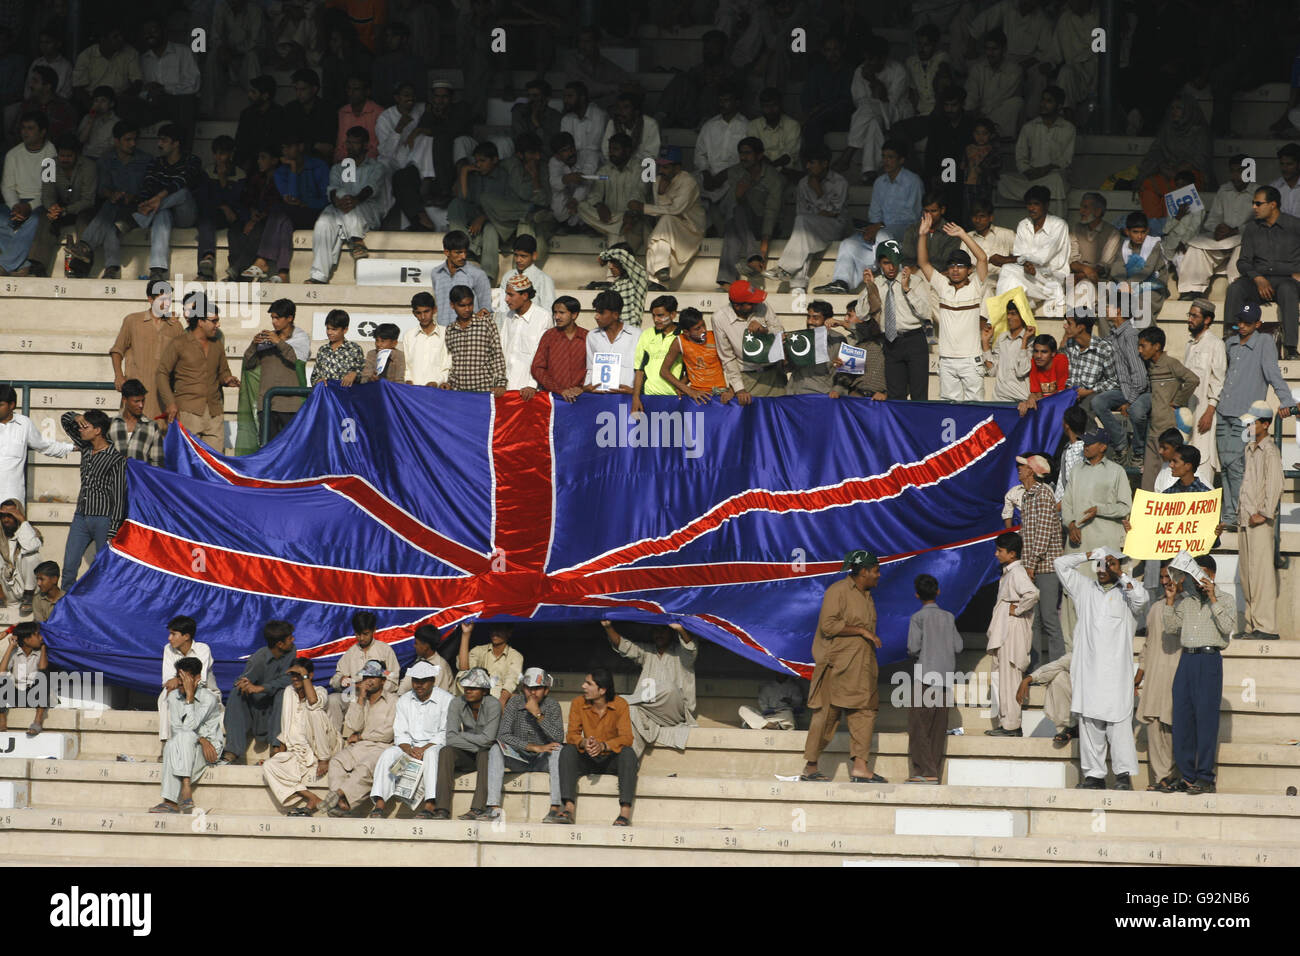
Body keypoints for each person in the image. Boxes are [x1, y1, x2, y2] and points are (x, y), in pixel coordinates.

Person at [1056, 548, 1148, 789]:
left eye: (1108, 565)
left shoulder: (1126, 593)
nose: (1102, 569)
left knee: (1119, 727)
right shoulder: (1084, 588)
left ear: (1118, 567)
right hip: (1088, 671)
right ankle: (1094, 775)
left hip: (1116, 673)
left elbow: (1142, 599)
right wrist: (1088, 554)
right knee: (1090, 725)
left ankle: (1122, 775)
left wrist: (1122, 576)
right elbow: (1060, 564)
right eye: (1099, 564)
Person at [800, 550, 887, 783]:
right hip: (836, 666)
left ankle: (860, 767)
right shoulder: (837, 591)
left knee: (865, 713)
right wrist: (861, 630)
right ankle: (810, 767)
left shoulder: (867, 595)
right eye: (876, 571)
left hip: (863, 666)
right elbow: (828, 625)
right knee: (826, 716)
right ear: (864, 572)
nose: (879, 575)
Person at [1214, 303, 1297, 527]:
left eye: (1247, 322)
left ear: (1258, 324)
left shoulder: (1264, 342)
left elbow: (1273, 374)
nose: (1241, 325)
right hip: (1223, 411)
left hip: (1246, 416)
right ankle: (1230, 515)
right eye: (1239, 320)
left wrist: (1287, 401)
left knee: (1238, 465)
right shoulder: (1230, 342)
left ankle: (1238, 514)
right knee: (1226, 466)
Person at [813, 141, 921, 295]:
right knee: (848, 243)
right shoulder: (879, 182)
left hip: (904, 230)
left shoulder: (913, 181)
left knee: (884, 234)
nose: (886, 161)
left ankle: (886, 276)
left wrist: (879, 226)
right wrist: (872, 228)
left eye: (890, 157)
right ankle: (841, 282)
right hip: (881, 230)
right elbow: (874, 213)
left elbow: (912, 216)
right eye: (883, 157)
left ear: (901, 160)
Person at [1167, 555, 1236, 794]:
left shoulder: (1225, 599)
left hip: (1208, 659)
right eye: (1195, 572)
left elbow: (1228, 628)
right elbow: (1171, 628)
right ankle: (1187, 776)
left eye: (1203, 571)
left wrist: (1213, 598)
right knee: (1182, 719)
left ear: (1213, 575)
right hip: (1186, 659)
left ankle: (1205, 776)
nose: (1198, 576)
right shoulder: (1187, 602)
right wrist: (1170, 599)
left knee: (1206, 720)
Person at [917, 215, 990, 401]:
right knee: (950, 409)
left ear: (969, 270)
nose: (955, 270)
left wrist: (963, 235)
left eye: (960, 266)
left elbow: (982, 258)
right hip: (947, 360)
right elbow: (923, 263)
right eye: (952, 266)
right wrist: (923, 235)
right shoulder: (942, 285)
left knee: (976, 410)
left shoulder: (976, 286)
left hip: (971, 359)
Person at [369, 659, 453, 819]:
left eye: (423, 681)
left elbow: (445, 733)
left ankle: (430, 804)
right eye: (415, 681)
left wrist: (424, 749)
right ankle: (380, 803)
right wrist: (409, 749)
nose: (418, 685)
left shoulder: (446, 699)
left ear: (433, 681)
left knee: (432, 754)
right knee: (389, 754)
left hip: (434, 747)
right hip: (410, 749)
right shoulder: (404, 700)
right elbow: (400, 732)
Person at [241, 133, 331, 282]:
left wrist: (306, 204)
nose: (285, 151)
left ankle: (262, 260)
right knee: (283, 221)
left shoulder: (318, 166)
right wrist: (293, 170)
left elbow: (327, 199)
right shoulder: (282, 171)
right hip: (291, 213)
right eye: (283, 148)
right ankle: (283, 273)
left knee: (278, 210)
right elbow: (290, 197)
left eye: (289, 147)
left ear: (300, 147)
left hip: (315, 214)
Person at [1224, 185, 1300, 360]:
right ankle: (1231, 341)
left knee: (1288, 290)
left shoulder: (1295, 226)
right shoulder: (1252, 228)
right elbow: (1243, 261)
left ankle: (1290, 348)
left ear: (1273, 205)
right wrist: (1257, 277)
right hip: (1259, 279)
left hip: (1287, 280)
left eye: (1258, 204)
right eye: (1253, 203)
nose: (1254, 208)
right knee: (1236, 288)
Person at [603, 619, 697, 759]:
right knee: (631, 711)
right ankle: (628, 764)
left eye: (663, 630)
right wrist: (608, 627)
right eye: (656, 630)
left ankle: (621, 700)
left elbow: (690, 648)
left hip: (673, 713)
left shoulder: (681, 653)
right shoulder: (648, 652)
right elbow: (623, 646)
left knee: (669, 687)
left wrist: (680, 629)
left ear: (671, 633)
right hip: (650, 712)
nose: (659, 634)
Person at [557, 667, 638, 826]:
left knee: (628, 753)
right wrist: (583, 742)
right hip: (587, 757)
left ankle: (624, 813)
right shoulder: (578, 703)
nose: (583, 686)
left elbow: (627, 738)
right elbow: (572, 734)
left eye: (589, 684)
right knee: (567, 750)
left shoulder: (620, 704)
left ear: (602, 690)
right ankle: (568, 808)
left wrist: (604, 746)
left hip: (609, 758)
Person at [157, 296, 239, 452]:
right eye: (214, 321)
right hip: (188, 412)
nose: (218, 325)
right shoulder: (179, 343)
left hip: (214, 413)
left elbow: (223, 371)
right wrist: (170, 403)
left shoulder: (217, 345)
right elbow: (162, 373)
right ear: (201, 322)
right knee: (187, 462)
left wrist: (227, 379)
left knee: (214, 464)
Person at [764, 144, 850, 292]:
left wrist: (818, 191)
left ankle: (785, 269)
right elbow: (802, 213)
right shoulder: (804, 183)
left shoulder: (839, 182)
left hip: (834, 226)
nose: (808, 166)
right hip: (810, 227)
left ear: (825, 163)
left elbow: (833, 212)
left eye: (812, 162)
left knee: (803, 226)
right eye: (807, 163)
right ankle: (798, 286)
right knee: (804, 232)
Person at [262, 657, 341, 816]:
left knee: (314, 710)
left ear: (309, 675)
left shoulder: (320, 691)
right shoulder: (289, 692)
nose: (295, 679)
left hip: (325, 746)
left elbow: (313, 702)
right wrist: (279, 753)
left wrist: (324, 758)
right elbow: (287, 725)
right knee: (269, 765)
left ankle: (324, 759)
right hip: (299, 752)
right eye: (293, 675)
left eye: (299, 675)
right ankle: (312, 798)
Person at [307, 127, 387, 283]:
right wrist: (337, 200)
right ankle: (318, 276)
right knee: (323, 222)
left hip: (367, 210)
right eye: (348, 142)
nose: (350, 147)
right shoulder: (338, 167)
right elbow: (332, 188)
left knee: (345, 203)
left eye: (355, 143)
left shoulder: (377, 167)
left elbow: (371, 188)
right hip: (341, 209)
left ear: (365, 146)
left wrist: (355, 199)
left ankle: (356, 237)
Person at [57, 410, 127, 590]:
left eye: (85, 427)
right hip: (81, 515)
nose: (80, 430)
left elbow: (119, 495)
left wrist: (113, 529)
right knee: (70, 565)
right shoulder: (86, 448)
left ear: (97, 430)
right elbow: (65, 420)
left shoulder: (116, 458)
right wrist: (77, 417)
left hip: (103, 518)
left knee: (103, 567)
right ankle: (64, 604)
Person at [1233, 402, 1284, 641]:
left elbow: (1275, 485)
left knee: (1261, 574)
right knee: (1247, 575)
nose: (1249, 426)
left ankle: (1266, 626)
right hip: (1245, 520)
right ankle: (1253, 625)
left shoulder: (1270, 451)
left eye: (1253, 422)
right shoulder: (1250, 449)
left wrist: (1263, 513)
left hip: (1259, 523)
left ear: (1265, 424)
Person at [486, 666, 565, 823]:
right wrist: (531, 746)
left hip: (542, 759)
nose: (532, 693)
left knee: (558, 749)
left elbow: (558, 737)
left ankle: (555, 808)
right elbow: (503, 735)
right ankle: (493, 808)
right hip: (519, 757)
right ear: (523, 688)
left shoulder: (552, 705)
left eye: (537, 688)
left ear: (546, 690)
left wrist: (538, 715)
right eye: (528, 688)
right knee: (495, 748)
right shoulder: (515, 702)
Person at [906, 574, 963, 783]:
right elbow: (958, 646)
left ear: (917, 595)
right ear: (938, 591)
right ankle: (933, 771)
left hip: (925, 677)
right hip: (945, 678)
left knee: (919, 725)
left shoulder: (918, 618)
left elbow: (913, 648)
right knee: (939, 726)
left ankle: (924, 770)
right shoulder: (949, 617)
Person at [321, 659, 397, 817]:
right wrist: (361, 699)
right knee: (336, 761)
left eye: (373, 677)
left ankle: (339, 795)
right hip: (360, 746)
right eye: (366, 677)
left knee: (364, 767)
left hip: (382, 748)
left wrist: (362, 735)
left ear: (383, 680)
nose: (369, 681)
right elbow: (353, 725)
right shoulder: (359, 699)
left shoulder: (393, 701)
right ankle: (341, 804)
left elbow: (386, 734)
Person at [150, 657, 224, 814]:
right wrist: (200, 738)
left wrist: (190, 698)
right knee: (172, 743)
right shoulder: (173, 697)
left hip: (209, 749)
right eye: (179, 677)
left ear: (197, 678)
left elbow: (189, 727)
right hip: (189, 743)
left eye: (185, 678)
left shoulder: (208, 699)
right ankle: (185, 787)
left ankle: (171, 800)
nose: (181, 682)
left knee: (179, 741)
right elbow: (178, 729)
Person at [219, 620, 297, 765]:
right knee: (237, 693)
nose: (293, 640)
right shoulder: (259, 658)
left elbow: (289, 679)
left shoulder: (292, 652)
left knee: (284, 693)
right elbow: (243, 680)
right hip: (257, 710)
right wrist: (245, 684)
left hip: (277, 710)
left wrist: (263, 687)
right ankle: (231, 752)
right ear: (280, 644)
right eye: (290, 638)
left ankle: (277, 749)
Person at [132, 124, 203, 281]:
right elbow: (148, 185)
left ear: (176, 143)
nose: (159, 144)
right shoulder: (156, 162)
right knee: (162, 214)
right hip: (162, 211)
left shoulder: (192, 160)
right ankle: (157, 269)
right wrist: (145, 201)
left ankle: (142, 217)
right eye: (159, 139)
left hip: (186, 214)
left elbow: (181, 181)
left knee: (182, 192)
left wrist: (157, 199)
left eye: (164, 140)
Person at [860, 239, 929, 400]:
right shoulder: (875, 283)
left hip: (914, 339)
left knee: (919, 394)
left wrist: (906, 289)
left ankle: (917, 426)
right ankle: (899, 425)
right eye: (886, 263)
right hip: (891, 343)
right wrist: (869, 287)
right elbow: (862, 314)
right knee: (895, 395)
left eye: (894, 262)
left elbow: (926, 313)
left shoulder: (915, 281)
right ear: (879, 263)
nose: (891, 267)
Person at [80, 120, 150, 279]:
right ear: (116, 141)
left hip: (137, 209)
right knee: (111, 222)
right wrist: (111, 194)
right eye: (128, 140)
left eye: (134, 140)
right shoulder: (106, 159)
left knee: (109, 212)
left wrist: (134, 197)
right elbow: (102, 188)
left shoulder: (146, 160)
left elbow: (150, 189)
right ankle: (111, 269)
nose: (132, 144)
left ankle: (85, 245)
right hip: (116, 207)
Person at [985, 532, 1039, 737]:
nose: (997, 554)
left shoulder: (1017, 573)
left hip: (1012, 631)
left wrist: (1016, 610)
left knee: (1010, 677)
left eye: (1000, 551)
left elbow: (1032, 594)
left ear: (1012, 554)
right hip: (1004, 631)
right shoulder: (1009, 573)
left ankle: (1012, 725)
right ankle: (1006, 722)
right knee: (1001, 677)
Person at [1178, 156, 1254, 300]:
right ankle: (1193, 290)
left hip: (1244, 236)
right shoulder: (1224, 190)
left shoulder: (1258, 191)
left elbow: (1259, 222)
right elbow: (1213, 218)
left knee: (1243, 250)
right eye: (1233, 171)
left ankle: (1239, 290)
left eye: (1240, 171)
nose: (1236, 175)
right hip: (1223, 237)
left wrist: (1237, 230)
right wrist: (1218, 228)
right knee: (1197, 247)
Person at [1132, 327, 1199, 489]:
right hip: (1153, 431)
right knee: (1148, 479)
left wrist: (1178, 400)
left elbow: (1193, 379)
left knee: (1169, 477)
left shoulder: (1170, 364)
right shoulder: (1150, 366)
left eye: (1143, 346)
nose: (1140, 350)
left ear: (1156, 346)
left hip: (1169, 432)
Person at [432, 667, 501, 820]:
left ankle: (477, 808)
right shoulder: (456, 703)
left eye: (473, 688)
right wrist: (479, 741)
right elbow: (450, 737)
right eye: (466, 687)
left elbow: (489, 739)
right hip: (469, 753)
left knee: (485, 753)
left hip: (489, 756)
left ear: (484, 691)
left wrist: (463, 735)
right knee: (446, 751)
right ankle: (442, 809)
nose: (468, 691)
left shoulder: (493, 704)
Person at [842, 35, 912, 184]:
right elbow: (859, 102)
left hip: (896, 113)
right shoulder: (860, 70)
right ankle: (869, 170)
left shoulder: (898, 70)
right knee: (873, 121)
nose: (868, 63)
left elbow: (890, 101)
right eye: (867, 59)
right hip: (870, 115)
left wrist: (873, 80)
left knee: (870, 109)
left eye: (872, 59)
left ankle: (849, 152)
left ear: (883, 58)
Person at [716, 138, 784, 288]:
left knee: (733, 224)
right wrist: (739, 196)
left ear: (759, 155)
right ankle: (753, 257)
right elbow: (734, 205)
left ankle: (726, 280)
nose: (743, 157)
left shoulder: (773, 177)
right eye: (741, 153)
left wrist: (764, 245)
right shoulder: (735, 172)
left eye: (747, 153)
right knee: (735, 214)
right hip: (739, 220)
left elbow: (771, 212)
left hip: (763, 225)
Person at [1136, 565, 1181, 791]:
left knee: (1171, 725)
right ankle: (1161, 776)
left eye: (1168, 577)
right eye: (1162, 577)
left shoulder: (1186, 606)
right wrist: (1139, 674)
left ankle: (1171, 775)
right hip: (1154, 675)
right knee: (1153, 725)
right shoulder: (1154, 608)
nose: (1164, 581)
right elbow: (1148, 643)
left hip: (1175, 674)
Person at [1017, 454, 1065, 664]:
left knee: (1049, 618)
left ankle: (1057, 665)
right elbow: (1027, 533)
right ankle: (1035, 667)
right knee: (1033, 620)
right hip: (1031, 567)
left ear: (1031, 471)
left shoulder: (1044, 494)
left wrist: (1032, 564)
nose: (1018, 469)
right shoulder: (1027, 495)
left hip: (1045, 568)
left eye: (1022, 466)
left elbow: (1043, 533)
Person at [995, 186, 1071, 316]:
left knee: (1008, 270)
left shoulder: (1059, 225)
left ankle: (996, 321)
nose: (1031, 208)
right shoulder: (1024, 225)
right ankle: (1022, 321)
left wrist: (1008, 259)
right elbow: (1021, 256)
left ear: (1046, 205)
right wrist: (1024, 263)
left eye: (1036, 204)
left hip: (1051, 281)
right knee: (1010, 277)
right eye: (1029, 204)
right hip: (1029, 276)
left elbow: (1042, 258)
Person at [243, 299, 311, 441]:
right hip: (267, 403)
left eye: (277, 318)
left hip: (290, 404)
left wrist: (278, 343)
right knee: (268, 449)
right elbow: (249, 364)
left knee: (291, 448)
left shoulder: (300, 337)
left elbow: (297, 360)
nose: (274, 322)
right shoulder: (266, 339)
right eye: (272, 318)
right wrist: (253, 345)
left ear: (290, 318)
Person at [0, 111, 56, 276]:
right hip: (16, 203)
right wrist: (16, 206)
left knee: (36, 221)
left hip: (40, 202)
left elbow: (49, 189)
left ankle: (5, 265)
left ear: (42, 131)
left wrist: (29, 206)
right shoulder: (13, 154)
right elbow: (7, 187)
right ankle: (22, 265)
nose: (25, 132)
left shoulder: (50, 153)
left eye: (30, 128)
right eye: (23, 128)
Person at [639, 146, 705, 286]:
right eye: (660, 167)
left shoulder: (688, 182)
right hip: (668, 228)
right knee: (659, 238)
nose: (662, 171)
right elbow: (661, 211)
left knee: (662, 227)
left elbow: (675, 210)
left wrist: (643, 208)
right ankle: (659, 275)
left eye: (666, 167)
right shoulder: (658, 181)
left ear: (678, 167)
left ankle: (654, 277)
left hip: (690, 228)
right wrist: (662, 192)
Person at [325, 610, 399, 731]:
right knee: (333, 699)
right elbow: (336, 679)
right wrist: (342, 680)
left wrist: (375, 689)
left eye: (365, 634)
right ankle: (336, 742)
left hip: (378, 697)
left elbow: (393, 677)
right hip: (355, 697)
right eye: (358, 634)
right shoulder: (351, 653)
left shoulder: (384, 651)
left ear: (374, 630)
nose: (361, 638)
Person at [712, 280, 785, 401]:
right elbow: (727, 357)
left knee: (777, 418)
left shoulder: (762, 305)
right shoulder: (719, 318)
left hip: (774, 374)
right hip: (748, 378)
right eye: (751, 303)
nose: (756, 304)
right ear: (737, 306)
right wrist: (739, 388)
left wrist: (764, 330)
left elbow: (781, 332)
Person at [0, 384, 73, 506]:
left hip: (12, 497)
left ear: (12, 405)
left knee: (15, 525)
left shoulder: (24, 424)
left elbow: (44, 445)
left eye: (0, 405)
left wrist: (71, 447)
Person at [695, 83, 750, 235]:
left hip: (733, 174)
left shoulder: (746, 126)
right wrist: (706, 174)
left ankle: (727, 229)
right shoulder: (709, 125)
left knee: (738, 188)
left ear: (737, 103)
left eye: (727, 100)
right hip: (709, 172)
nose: (723, 104)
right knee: (689, 183)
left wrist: (724, 174)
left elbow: (747, 158)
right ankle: (705, 226)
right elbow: (700, 153)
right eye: (720, 100)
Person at [1182, 300, 1226, 487]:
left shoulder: (1216, 344)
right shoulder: (1190, 344)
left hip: (1205, 414)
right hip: (1188, 412)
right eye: (1189, 315)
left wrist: (1209, 411)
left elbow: (1218, 381)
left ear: (1207, 319)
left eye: (1195, 316)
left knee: (1203, 461)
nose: (1190, 320)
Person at [156, 614, 219, 743]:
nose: (169, 638)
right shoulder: (168, 649)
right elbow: (168, 680)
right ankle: (167, 742)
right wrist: (178, 682)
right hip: (180, 690)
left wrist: (177, 680)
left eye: (174, 634)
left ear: (186, 636)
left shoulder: (203, 649)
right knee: (166, 695)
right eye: (170, 634)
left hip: (205, 692)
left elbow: (199, 680)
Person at [138, 18, 200, 144]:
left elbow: (194, 84)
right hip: (152, 104)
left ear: (164, 31)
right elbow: (139, 90)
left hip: (178, 103)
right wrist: (148, 93)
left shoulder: (183, 51)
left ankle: (184, 156)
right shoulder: (142, 59)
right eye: (146, 32)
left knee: (186, 102)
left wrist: (164, 89)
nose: (149, 34)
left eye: (153, 30)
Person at [194, 135, 246, 281]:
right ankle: (206, 263)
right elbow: (205, 199)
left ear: (230, 154)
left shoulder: (240, 174)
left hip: (235, 216)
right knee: (205, 221)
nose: (218, 157)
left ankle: (235, 270)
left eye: (222, 153)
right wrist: (223, 205)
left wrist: (223, 181)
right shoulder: (208, 172)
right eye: (216, 153)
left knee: (236, 230)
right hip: (214, 213)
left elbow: (238, 200)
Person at [494, 274, 551, 396]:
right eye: (506, 294)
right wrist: (500, 382)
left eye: (511, 295)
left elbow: (544, 356)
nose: (506, 299)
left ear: (525, 295)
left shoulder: (543, 317)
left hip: (529, 391)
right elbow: (502, 350)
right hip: (506, 388)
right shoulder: (509, 316)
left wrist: (532, 385)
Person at [446, 286, 507, 395]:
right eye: (462, 305)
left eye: (470, 304)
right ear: (452, 305)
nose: (467, 309)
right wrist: (449, 382)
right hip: (457, 392)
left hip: (483, 391)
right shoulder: (450, 330)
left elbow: (497, 354)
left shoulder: (486, 324)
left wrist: (501, 384)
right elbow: (451, 361)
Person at [1062, 309, 1119, 426]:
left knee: (1085, 410)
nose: (1065, 326)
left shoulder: (1104, 348)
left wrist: (1088, 391)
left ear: (1080, 327)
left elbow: (1113, 381)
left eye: (1069, 323)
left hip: (1092, 394)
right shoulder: (1069, 345)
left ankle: (1092, 442)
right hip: (1071, 393)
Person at [1066, 193, 1122, 312]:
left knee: (1084, 287)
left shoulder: (1112, 233)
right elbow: (1073, 260)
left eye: (1085, 207)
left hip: (1100, 281)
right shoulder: (1075, 228)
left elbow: (1104, 266)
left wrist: (1083, 274)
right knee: (1081, 288)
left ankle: (1075, 325)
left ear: (1097, 211)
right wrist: (1086, 270)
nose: (1081, 211)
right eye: (1081, 207)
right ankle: (1077, 325)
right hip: (1075, 277)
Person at [965, 30, 1023, 139]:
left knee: (1017, 103)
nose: (990, 53)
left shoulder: (1014, 70)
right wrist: (971, 111)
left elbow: (1001, 98)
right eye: (987, 49)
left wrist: (983, 113)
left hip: (997, 113)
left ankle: (1002, 138)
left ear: (1004, 50)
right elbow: (971, 94)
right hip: (978, 115)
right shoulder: (977, 68)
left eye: (994, 49)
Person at [630, 296, 682, 414]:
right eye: (653, 315)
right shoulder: (646, 335)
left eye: (661, 315)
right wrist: (636, 397)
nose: (656, 319)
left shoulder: (683, 335)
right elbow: (639, 370)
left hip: (674, 398)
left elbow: (691, 368)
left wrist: (681, 386)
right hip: (649, 397)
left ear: (673, 315)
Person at [531, 295, 589, 402]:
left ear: (574, 315)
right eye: (555, 312)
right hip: (554, 399)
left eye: (562, 313)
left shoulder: (588, 337)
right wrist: (559, 390)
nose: (557, 317)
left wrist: (582, 388)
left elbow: (595, 369)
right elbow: (537, 368)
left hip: (582, 398)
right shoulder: (549, 336)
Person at [456, 621, 524, 708]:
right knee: (461, 675)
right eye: (493, 629)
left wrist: (501, 702)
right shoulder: (479, 650)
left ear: (509, 632)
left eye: (499, 629)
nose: (495, 633)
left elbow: (511, 680)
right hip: (479, 693)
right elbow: (465, 669)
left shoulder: (516, 656)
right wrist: (466, 634)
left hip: (502, 697)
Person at [432, 230, 493, 324]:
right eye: (458, 252)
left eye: (465, 252)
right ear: (447, 252)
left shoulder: (478, 274)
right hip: (443, 331)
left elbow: (486, 310)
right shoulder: (436, 273)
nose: (463, 256)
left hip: (469, 332)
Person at [584, 290, 638, 394]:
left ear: (615, 315)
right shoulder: (592, 336)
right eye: (596, 312)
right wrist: (587, 387)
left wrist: (635, 391)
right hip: (599, 397)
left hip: (627, 398)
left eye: (601, 312)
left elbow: (642, 370)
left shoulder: (636, 335)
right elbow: (590, 368)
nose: (596, 316)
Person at [1017, 652, 1076, 745]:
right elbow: (1056, 665)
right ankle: (1069, 728)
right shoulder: (1081, 652)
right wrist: (1028, 679)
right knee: (1058, 676)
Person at [0, 622, 47, 736]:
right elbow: (1, 671)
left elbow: (42, 668)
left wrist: (44, 646)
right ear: (26, 639)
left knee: (42, 678)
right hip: (17, 695)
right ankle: (2, 720)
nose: (40, 638)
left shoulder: (40, 653)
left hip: (35, 696)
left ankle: (37, 721)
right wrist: (11, 647)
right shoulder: (15, 653)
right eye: (37, 635)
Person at [283, 68, 337, 165]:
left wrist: (304, 145)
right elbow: (288, 142)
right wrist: (313, 145)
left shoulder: (327, 109)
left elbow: (328, 147)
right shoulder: (290, 109)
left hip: (320, 163)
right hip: (295, 162)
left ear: (314, 89)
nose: (298, 93)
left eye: (303, 89)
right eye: (296, 89)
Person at [748, 87, 802, 180]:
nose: (770, 109)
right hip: (762, 174)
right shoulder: (753, 125)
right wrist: (773, 170)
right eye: (766, 106)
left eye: (774, 105)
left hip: (787, 174)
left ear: (780, 105)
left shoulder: (793, 125)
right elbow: (755, 153)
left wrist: (771, 169)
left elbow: (788, 156)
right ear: (761, 107)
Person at [983, 301, 1033, 401]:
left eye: (1013, 314)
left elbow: (1021, 371)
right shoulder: (1002, 338)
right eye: (1008, 313)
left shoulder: (1031, 340)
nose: (1009, 317)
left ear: (1022, 316)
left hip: (1020, 399)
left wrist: (1024, 341)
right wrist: (985, 342)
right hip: (999, 398)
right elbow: (993, 371)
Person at [234, 75, 285, 172]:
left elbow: (278, 144)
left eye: (254, 92)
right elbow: (240, 141)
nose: (249, 95)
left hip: (271, 164)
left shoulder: (279, 114)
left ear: (265, 95)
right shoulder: (246, 114)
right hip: (249, 163)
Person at [0, 500, 42, 616]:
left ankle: (28, 597)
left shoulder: (31, 532)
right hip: (6, 590)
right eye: (3, 516)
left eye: (10, 515)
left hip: (27, 588)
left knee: (31, 555)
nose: (6, 520)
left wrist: (23, 521)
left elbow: (31, 546)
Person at [403, 292, 451, 388]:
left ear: (434, 310)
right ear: (414, 313)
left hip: (438, 391)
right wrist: (408, 380)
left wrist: (436, 382)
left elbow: (448, 366)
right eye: (419, 313)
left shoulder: (446, 333)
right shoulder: (409, 335)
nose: (423, 317)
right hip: (413, 392)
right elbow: (406, 365)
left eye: (426, 311)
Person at [498, 234, 556, 313]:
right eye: (516, 255)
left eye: (523, 256)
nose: (518, 260)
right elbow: (502, 307)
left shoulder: (543, 279)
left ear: (534, 255)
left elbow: (549, 310)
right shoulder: (508, 276)